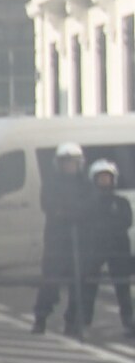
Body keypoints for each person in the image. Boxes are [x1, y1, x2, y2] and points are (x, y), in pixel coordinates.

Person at [33, 141, 93, 335]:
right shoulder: (51, 184)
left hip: (80, 240)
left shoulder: (86, 184)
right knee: (50, 281)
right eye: (65, 162)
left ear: (79, 163)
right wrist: (70, 213)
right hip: (56, 240)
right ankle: (41, 318)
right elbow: (49, 205)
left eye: (72, 162)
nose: (68, 166)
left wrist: (70, 213)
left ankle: (72, 321)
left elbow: (89, 208)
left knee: (78, 283)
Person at [82, 157, 134, 335]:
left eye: (107, 177)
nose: (105, 181)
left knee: (122, 287)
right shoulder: (89, 203)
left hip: (119, 249)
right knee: (89, 286)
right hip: (95, 248)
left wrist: (107, 226)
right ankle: (84, 321)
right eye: (101, 178)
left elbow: (126, 221)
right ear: (94, 180)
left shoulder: (121, 202)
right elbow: (88, 223)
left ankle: (129, 322)